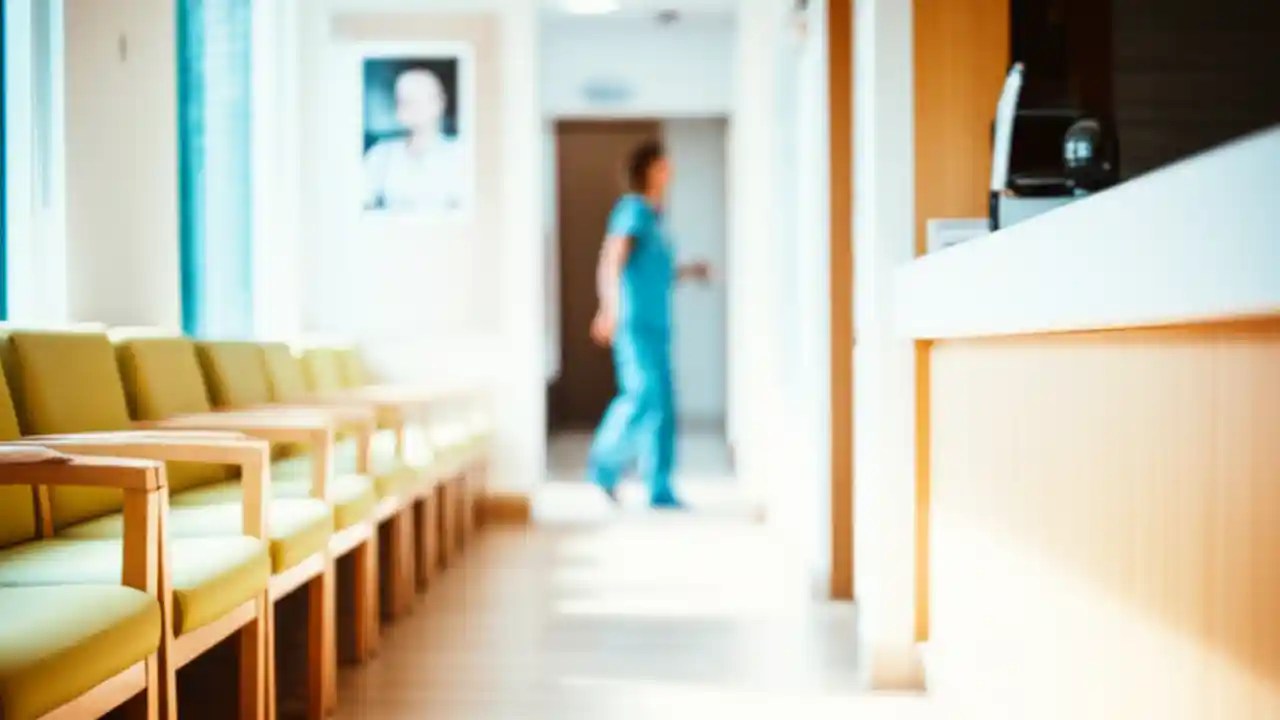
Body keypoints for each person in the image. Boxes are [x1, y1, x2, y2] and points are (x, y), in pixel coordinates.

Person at [587, 140, 710, 508]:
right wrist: (608, 308)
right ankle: (603, 466)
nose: (669, 170)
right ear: (649, 169)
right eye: (663, 165)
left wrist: (690, 271)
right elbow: (612, 260)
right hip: (635, 326)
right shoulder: (633, 211)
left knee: (663, 407)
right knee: (642, 398)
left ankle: (660, 486)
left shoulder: (655, 219)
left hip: (658, 328)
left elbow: (658, 272)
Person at [363, 67, 467, 214]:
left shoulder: (460, 155)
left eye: (420, 99)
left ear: (440, 102)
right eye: (405, 101)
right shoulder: (381, 154)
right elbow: (360, 206)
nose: (412, 107)